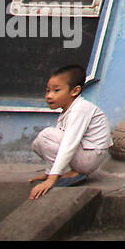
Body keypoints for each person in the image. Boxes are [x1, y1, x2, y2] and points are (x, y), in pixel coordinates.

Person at [29, 64, 111, 199]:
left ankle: (71, 174)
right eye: (47, 91)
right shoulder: (68, 110)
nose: (49, 96)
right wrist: (49, 173)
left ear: (74, 91)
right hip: (83, 154)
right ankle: (57, 173)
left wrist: (51, 180)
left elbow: (69, 144)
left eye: (56, 91)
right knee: (37, 143)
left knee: (46, 135)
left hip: (90, 157)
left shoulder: (80, 109)